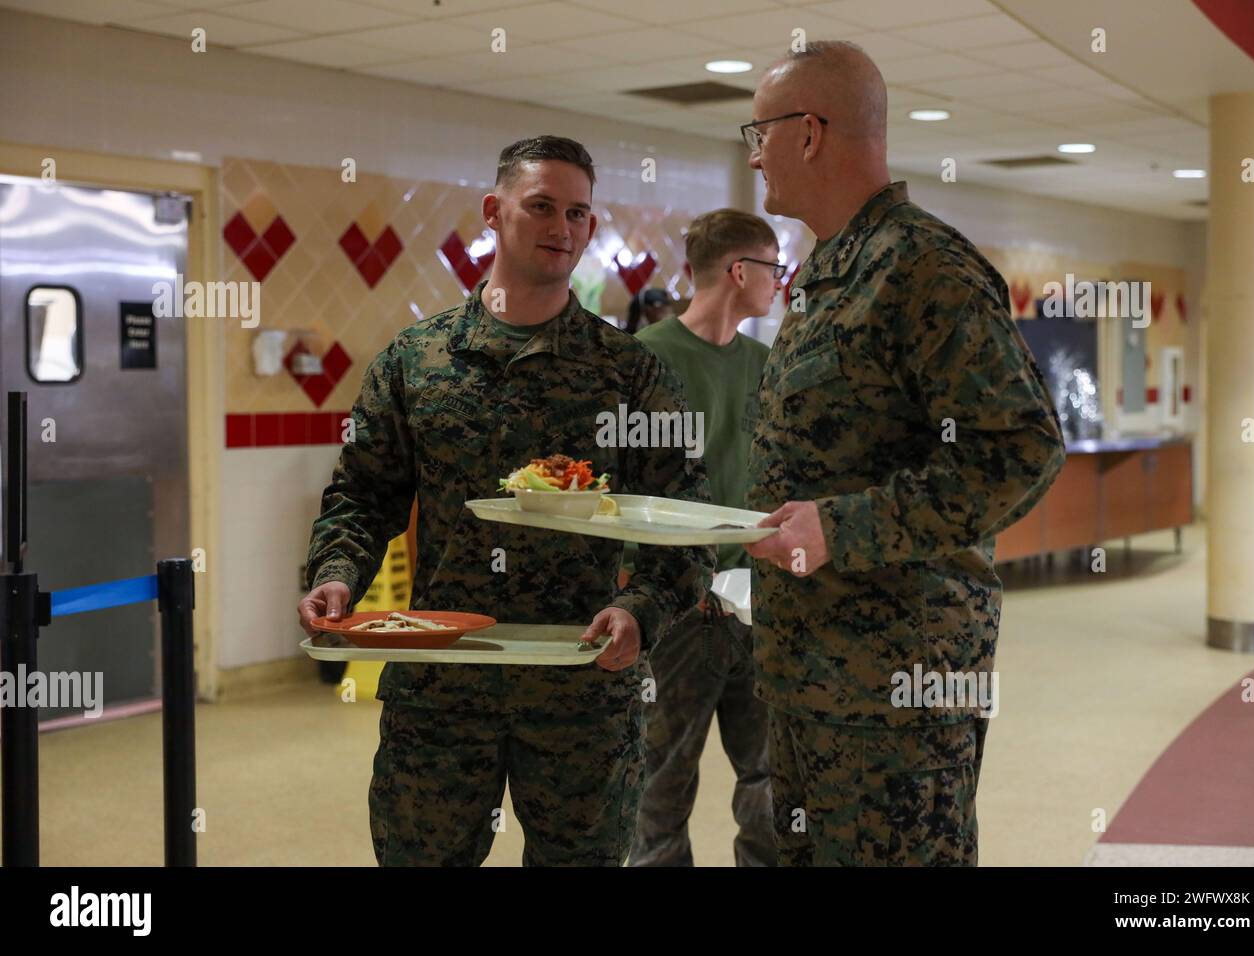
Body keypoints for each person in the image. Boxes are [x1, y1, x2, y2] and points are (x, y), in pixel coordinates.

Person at [299, 135, 713, 866]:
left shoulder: (630, 375)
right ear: (494, 211)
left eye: (578, 213)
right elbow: (363, 495)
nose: (562, 228)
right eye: (541, 207)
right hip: (443, 682)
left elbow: (684, 521)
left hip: (583, 685)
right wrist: (336, 574)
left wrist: (642, 612)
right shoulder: (416, 361)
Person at [741, 41, 1066, 866]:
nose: (753, 153)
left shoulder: (923, 267)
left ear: (808, 132)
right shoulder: (824, 274)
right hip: (808, 672)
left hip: (897, 690)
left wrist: (842, 529)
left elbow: (1021, 449)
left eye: (759, 132)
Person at [627, 209, 781, 867]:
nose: (779, 281)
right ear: (739, 271)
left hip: (759, 598)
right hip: (676, 604)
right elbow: (615, 488)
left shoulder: (767, 364)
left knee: (772, 773)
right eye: (774, 268)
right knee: (661, 777)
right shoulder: (645, 361)